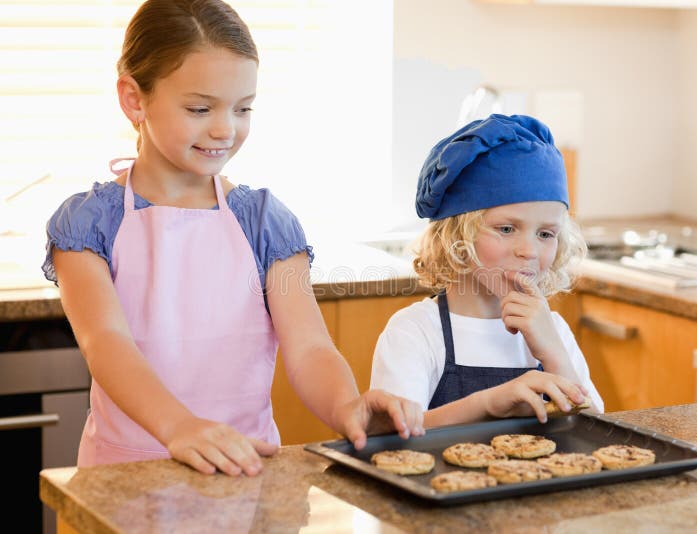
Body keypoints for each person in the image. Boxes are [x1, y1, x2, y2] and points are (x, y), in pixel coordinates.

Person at [42, 0, 423, 477]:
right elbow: (106, 343)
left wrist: (347, 406)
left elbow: (309, 348)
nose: (226, 129)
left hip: (244, 472)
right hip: (125, 475)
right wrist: (180, 427)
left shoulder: (264, 221)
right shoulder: (88, 224)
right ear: (134, 99)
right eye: (200, 108)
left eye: (243, 108)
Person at [370, 113, 604, 427]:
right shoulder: (415, 332)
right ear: (455, 238)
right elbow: (393, 437)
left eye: (546, 234)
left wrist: (554, 355)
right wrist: (489, 404)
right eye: (506, 229)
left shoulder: (554, 330)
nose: (529, 250)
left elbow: (596, 433)